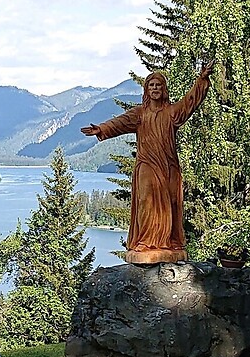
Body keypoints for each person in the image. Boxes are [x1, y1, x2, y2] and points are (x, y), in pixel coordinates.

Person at [80, 62, 213, 264]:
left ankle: (169, 241)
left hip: (168, 166)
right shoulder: (139, 114)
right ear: (146, 90)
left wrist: (202, 79)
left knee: (170, 203)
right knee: (146, 201)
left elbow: (190, 102)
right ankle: (144, 242)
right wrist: (101, 129)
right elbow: (119, 123)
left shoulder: (172, 113)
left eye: (158, 85)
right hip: (147, 165)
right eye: (151, 86)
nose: (155, 89)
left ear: (164, 89)